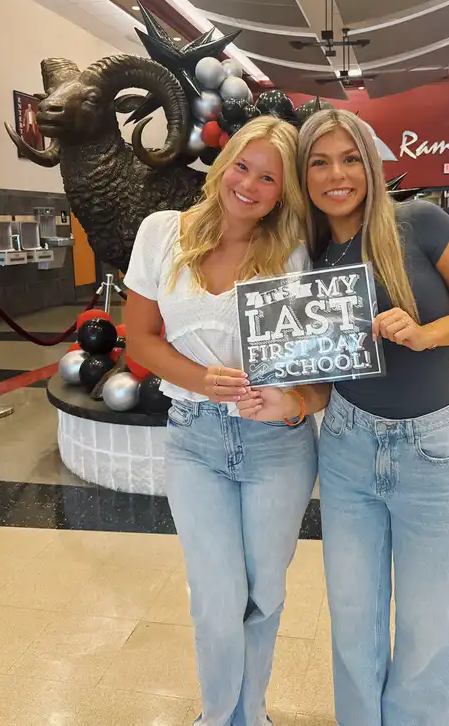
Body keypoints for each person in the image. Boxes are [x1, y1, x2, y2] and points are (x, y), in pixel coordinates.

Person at [296, 108, 449, 726]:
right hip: (346, 445)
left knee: (428, 623)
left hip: (431, 451)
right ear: (304, 175)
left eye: (350, 159)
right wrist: (289, 397)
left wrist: (426, 333)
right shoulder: (307, 255)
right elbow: (317, 368)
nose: (337, 175)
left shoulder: (420, 222)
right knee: (353, 618)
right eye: (319, 162)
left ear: (370, 163)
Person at [123, 116, 328, 726]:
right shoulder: (163, 232)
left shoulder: (293, 252)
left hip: (276, 446)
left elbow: (318, 371)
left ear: (283, 193)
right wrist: (199, 379)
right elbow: (140, 336)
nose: (249, 185)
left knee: (264, 594)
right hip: (195, 438)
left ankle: (251, 714)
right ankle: (218, 717)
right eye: (243, 166)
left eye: (269, 178)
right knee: (216, 599)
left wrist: (292, 401)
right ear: (223, 162)